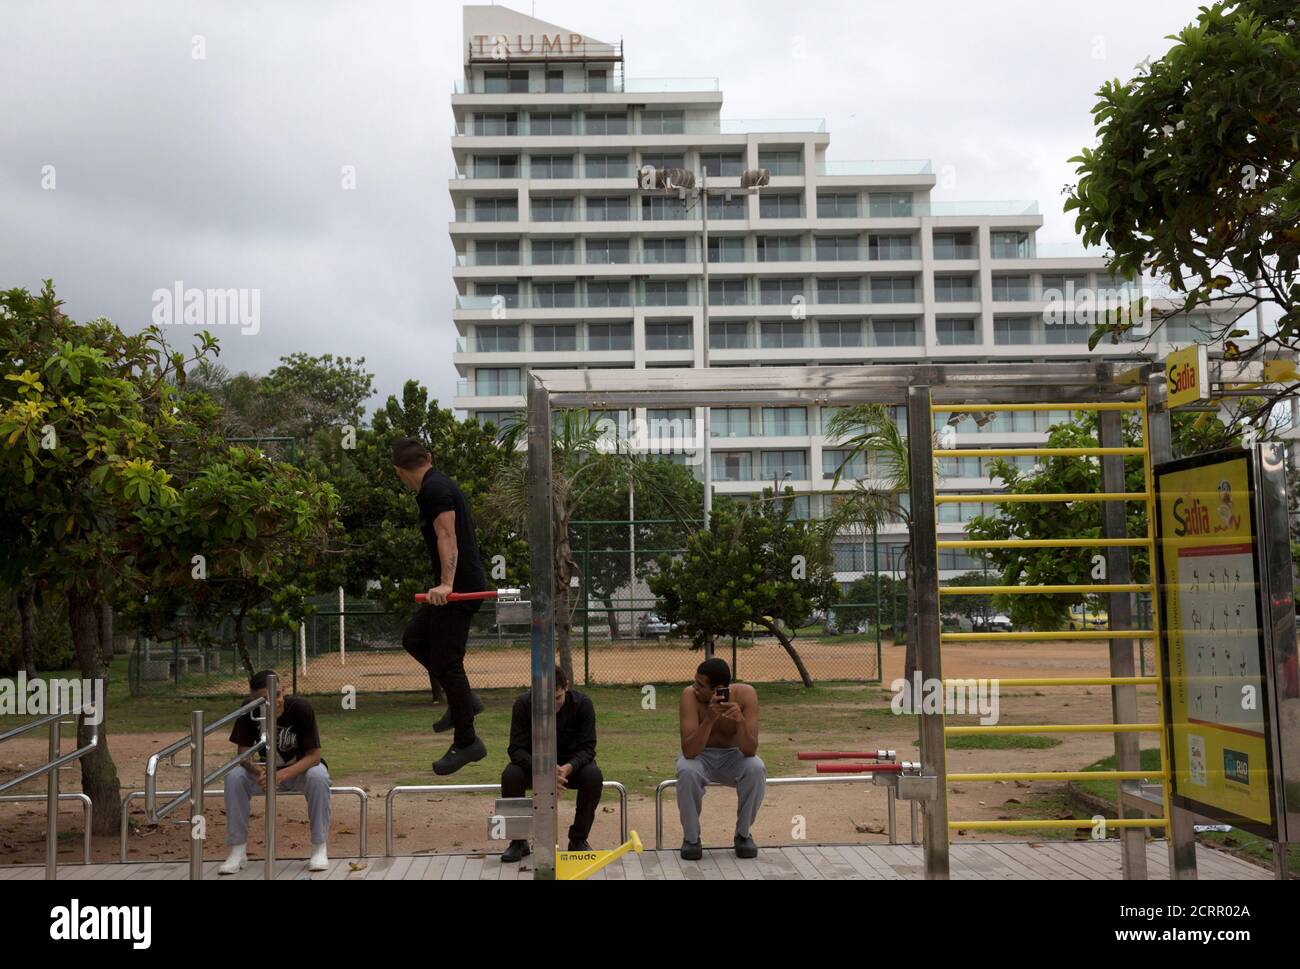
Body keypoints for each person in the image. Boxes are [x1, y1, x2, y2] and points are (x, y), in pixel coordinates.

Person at [394, 437, 488, 775]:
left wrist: (447, 584)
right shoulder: (437, 485)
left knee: (449, 664)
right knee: (415, 639)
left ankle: (468, 742)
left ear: (399, 472)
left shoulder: (434, 490)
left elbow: (446, 535)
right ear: (428, 457)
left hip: (459, 589)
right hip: (456, 586)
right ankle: (465, 702)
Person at [221, 670, 332, 874]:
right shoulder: (249, 710)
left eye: (278, 695)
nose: (274, 702)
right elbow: (243, 756)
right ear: (253, 699)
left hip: (300, 771)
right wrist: (260, 772)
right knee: (234, 777)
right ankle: (237, 850)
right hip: (265, 773)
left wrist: (280, 775)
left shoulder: (301, 708)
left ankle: (319, 847)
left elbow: (314, 756)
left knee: (319, 776)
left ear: (284, 690)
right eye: (264, 700)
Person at [499, 666, 602, 863]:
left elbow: (588, 748)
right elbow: (515, 749)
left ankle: (578, 840)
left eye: (557, 698)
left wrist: (568, 767)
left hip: (570, 767)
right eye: (544, 700)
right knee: (511, 775)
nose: (551, 706)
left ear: (566, 687)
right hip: (533, 765)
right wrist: (543, 769)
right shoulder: (522, 705)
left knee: (593, 775)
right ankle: (518, 841)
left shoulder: (583, 704)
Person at [676, 657, 765, 860]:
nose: (694, 687)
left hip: (733, 756)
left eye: (700, 685)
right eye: (695, 682)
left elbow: (750, 750)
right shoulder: (689, 696)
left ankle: (743, 835)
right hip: (700, 756)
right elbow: (689, 751)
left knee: (756, 768)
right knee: (687, 770)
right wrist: (708, 719)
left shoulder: (746, 695)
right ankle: (691, 839)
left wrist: (740, 722)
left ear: (718, 689)